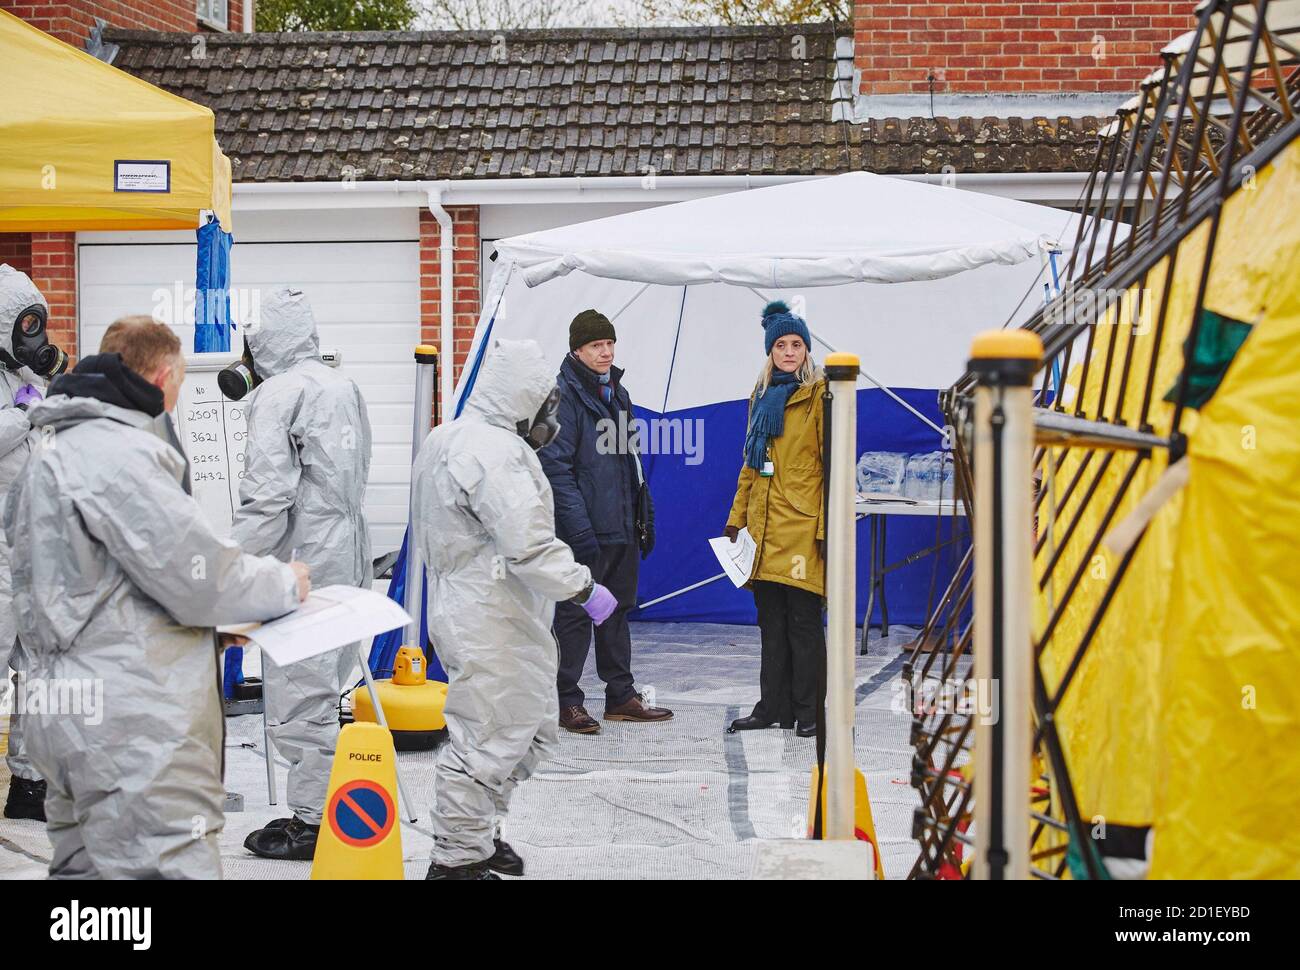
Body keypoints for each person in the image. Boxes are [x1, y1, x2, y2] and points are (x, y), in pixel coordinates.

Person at [3, 316, 310, 878]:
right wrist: (283, 585)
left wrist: (210, 628)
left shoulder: (49, 448)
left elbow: (100, 586)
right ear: (164, 374)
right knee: (168, 863)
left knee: (89, 884)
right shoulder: (120, 453)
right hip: (131, 719)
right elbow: (198, 576)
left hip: (64, 712)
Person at [413, 337, 617, 880]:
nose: (549, 413)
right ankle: (457, 859)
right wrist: (582, 587)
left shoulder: (449, 436)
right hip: (490, 613)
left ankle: (481, 834)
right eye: (544, 401)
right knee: (489, 734)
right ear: (523, 395)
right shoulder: (493, 450)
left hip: (492, 608)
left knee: (525, 728)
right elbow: (525, 544)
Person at [230, 287, 373, 861]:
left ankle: (313, 821)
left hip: (304, 553)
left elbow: (268, 499)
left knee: (297, 687)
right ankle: (326, 801)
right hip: (349, 546)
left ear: (261, 341)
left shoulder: (278, 394)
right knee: (325, 679)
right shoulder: (344, 384)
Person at [540, 309, 672, 734]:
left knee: (616, 611)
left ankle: (621, 697)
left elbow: (630, 463)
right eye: (597, 345)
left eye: (610, 344)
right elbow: (554, 470)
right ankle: (567, 701)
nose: (605, 351)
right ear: (576, 349)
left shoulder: (618, 393)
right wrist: (578, 531)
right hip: (585, 532)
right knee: (576, 614)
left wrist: (642, 516)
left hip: (620, 528)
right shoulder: (560, 398)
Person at [724, 301, 827, 739]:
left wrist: (827, 530)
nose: (789, 351)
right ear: (770, 351)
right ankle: (773, 707)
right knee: (771, 623)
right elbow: (751, 465)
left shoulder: (821, 396)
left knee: (803, 623)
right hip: (763, 531)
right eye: (781, 344)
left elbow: (832, 465)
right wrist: (736, 520)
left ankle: (809, 711)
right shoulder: (760, 397)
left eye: (796, 344)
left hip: (802, 529)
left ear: (807, 350)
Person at [0, 266, 60, 821]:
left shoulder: (27, 379)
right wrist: (24, 412)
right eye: (23, 326)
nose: (33, 339)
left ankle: (30, 784)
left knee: (40, 670)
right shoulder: (18, 392)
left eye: (36, 325)